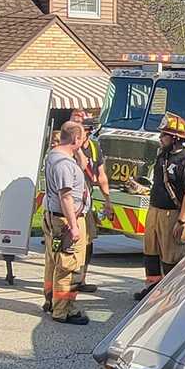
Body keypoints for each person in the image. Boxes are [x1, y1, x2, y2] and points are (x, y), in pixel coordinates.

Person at [134, 112, 185, 301]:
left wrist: (182, 220)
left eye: (164, 135)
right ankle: (154, 289)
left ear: (176, 138)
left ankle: (171, 293)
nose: (160, 138)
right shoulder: (162, 155)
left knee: (171, 256)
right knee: (150, 251)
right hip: (154, 211)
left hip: (172, 215)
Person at [41, 121, 90, 325]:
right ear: (76, 139)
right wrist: (74, 225)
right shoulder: (63, 165)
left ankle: (51, 301)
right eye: (82, 138)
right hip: (66, 219)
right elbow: (66, 196)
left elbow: (84, 166)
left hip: (56, 218)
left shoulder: (56, 156)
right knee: (68, 266)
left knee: (53, 262)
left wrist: (78, 152)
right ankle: (63, 310)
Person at [68, 110, 113, 293]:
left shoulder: (94, 148)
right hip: (70, 204)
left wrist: (107, 200)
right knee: (69, 244)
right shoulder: (67, 148)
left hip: (86, 203)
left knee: (87, 242)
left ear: (88, 130)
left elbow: (100, 175)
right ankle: (65, 283)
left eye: (78, 128)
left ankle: (81, 279)